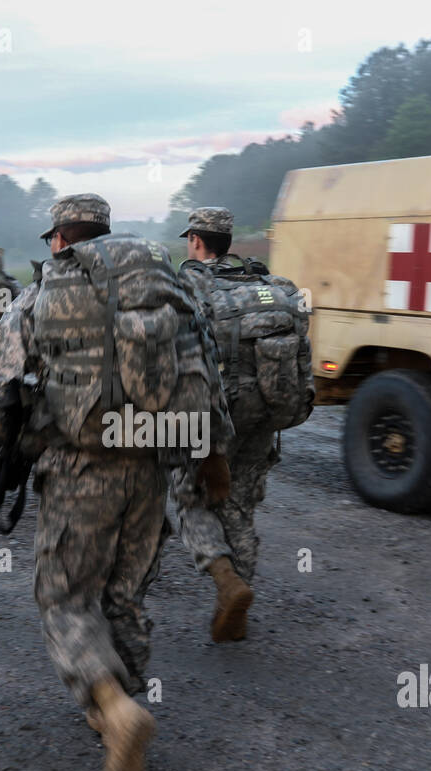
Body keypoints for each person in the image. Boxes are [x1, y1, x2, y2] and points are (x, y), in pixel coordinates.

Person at [0, 194, 233, 771]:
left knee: (65, 596)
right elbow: (206, 371)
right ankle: (117, 708)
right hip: (153, 465)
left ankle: (112, 704)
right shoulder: (165, 292)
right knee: (125, 594)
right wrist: (214, 458)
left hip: (80, 468)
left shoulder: (38, 299)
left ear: (61, 239)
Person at [170, 207, 315, 642]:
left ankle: (225, 579)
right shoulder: (271, 285)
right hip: (267, 410)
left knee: (186, 498)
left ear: (196, 241)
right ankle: (235, 604)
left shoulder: (186, 287)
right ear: (228, 242)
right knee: (240, 504)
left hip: (212, 416)